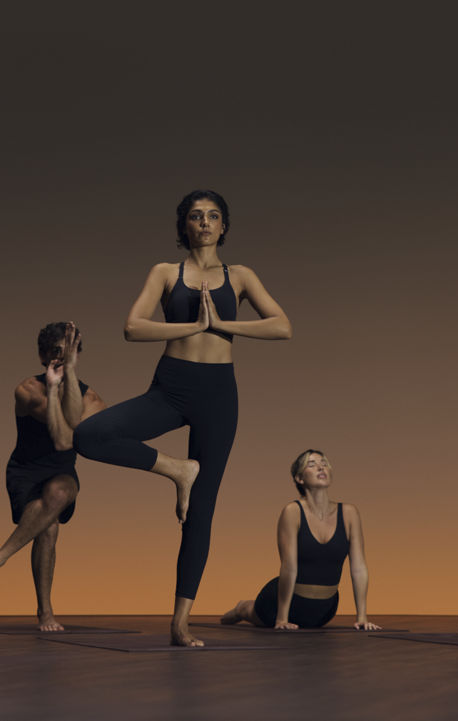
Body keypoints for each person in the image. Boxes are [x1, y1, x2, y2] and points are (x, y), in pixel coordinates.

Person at [74, 189, 291, 646]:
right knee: (90, 435)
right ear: (184, 226)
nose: (205, 223)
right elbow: (134, 327)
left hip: (218, 395)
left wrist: (221, 326)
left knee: (201, 513)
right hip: (170, 387)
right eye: (196, 216)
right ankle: (176, 469)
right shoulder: (165, 272)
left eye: (213, 216)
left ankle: (180, 622)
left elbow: (281, 326)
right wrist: (192, 326)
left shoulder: (241, 276)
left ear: (224, 226)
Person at [2, 322, 105, 631]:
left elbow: (70, 433)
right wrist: (52, 386)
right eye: (57, 352)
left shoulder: (94, 401)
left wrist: (69, 375)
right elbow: (56, 425)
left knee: (60, 495)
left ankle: (3, 554)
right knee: (47, 530)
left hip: (60, 472)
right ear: (42, 356)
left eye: (70, 352)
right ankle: (45, 613)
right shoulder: (27, 390)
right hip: (24, 471)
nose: (63, 358)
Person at [221, 449, 381, 630]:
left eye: (324, 464)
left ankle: (245, 607)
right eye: (312, 465)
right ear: (299, 478)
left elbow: (359, 568)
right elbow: (289, 567)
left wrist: (362, 617)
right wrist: (281, 619)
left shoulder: (350, 513)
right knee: (249, 611)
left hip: (324, 609)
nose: (321, 467)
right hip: (283, 602)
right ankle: (240, 608)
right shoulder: (292, 512)